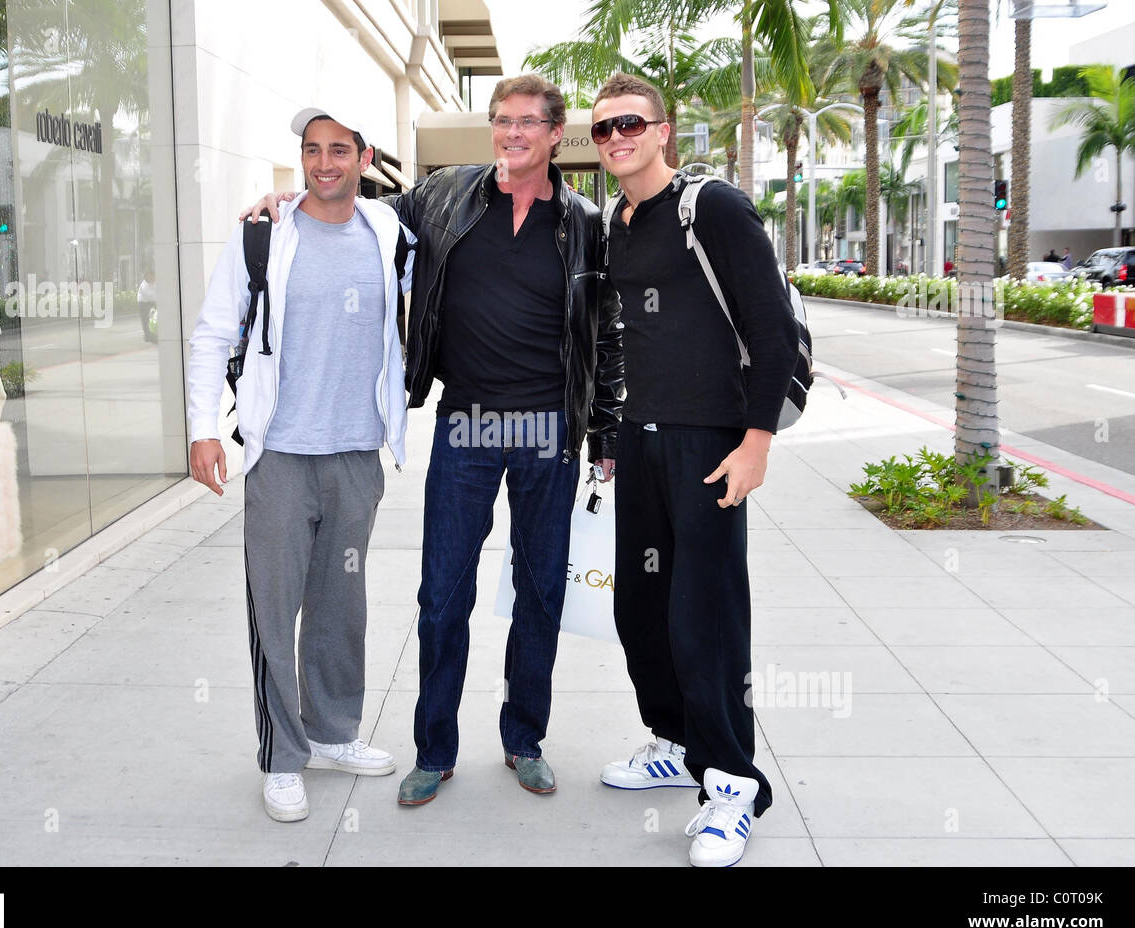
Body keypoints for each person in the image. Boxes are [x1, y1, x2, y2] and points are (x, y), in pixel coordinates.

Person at [243, 75, 624, 806]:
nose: (511, 135)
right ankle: (434, 749)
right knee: (442, 596)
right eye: (501, 122)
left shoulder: (584, 223)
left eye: (526, 124)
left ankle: (524, 739)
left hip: (549, 429)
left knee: (541, 592)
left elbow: (606, 334)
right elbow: (355, 209)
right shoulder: (447, 195)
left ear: (554, 134)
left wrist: (604, 429)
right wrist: (284, 202)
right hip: (466, 424)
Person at [590, 73, 799, 867]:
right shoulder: (621, 220)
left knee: (704, 618)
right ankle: (676, 742)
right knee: (640, 610)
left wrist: (756, 443)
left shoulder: (711, 207)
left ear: (664, 129)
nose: (618, 138)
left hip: (709, 443)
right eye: (605, 128)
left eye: (631, 123)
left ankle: (732, 785)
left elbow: (772, 330)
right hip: (639, 441)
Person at [187, 108, 415, 823]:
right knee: (274, 611)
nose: (323, 163)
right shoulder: (265, 233)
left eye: (338, 150)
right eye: (312, 150)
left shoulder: (393, 233)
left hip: (356, 453)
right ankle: (284, 757)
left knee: (340, 608)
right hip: (280, 455)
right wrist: (202, 431)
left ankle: (333, 732)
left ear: (364, 156)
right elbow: (213, 330)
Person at [137, 266, 157, 343]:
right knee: (145, 319)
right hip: (143, 302)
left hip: (152, 301)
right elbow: (150, 296)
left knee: (154, 318)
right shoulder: (143, 285)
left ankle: (152, 334)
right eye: (150, 276)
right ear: (146, 276)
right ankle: (148, 336)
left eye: (153, 275)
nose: (153, 278)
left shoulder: (154, 283)